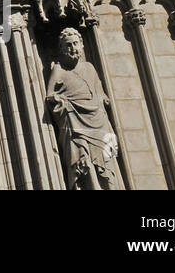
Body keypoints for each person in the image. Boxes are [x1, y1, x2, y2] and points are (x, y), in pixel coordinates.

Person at [46, 27, 121, 190]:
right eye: (68, 45)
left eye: (75, 44)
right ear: (61, 49)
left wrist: (103, 99)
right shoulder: (58, 69)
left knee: (105, 158)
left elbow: (99, 91)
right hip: (74, 121)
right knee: (82, 158)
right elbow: (50, 95)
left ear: (82, 45)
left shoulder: (89, 67)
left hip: (97, 121)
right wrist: (61, 101)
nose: (73, 48)